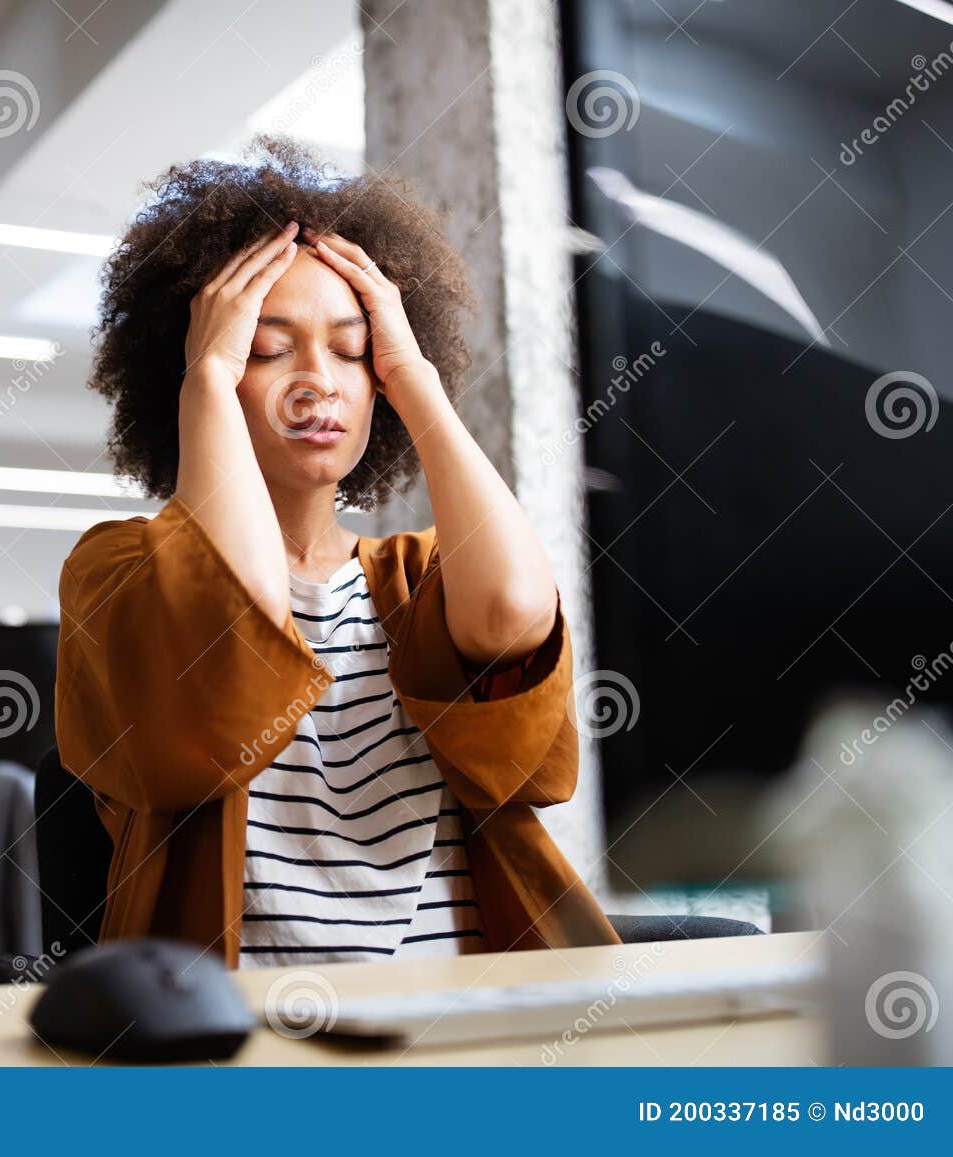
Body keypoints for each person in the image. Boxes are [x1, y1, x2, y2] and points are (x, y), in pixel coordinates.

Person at [57, 139, 619, 967]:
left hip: (467, 1028)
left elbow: (512, 614)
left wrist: (414, 376)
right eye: (266, 348)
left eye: (352, 352)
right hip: (242, 1049)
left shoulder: (419, 575)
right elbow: (230, 627)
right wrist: (207, 375)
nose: (319, 382)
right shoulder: (116, 570)